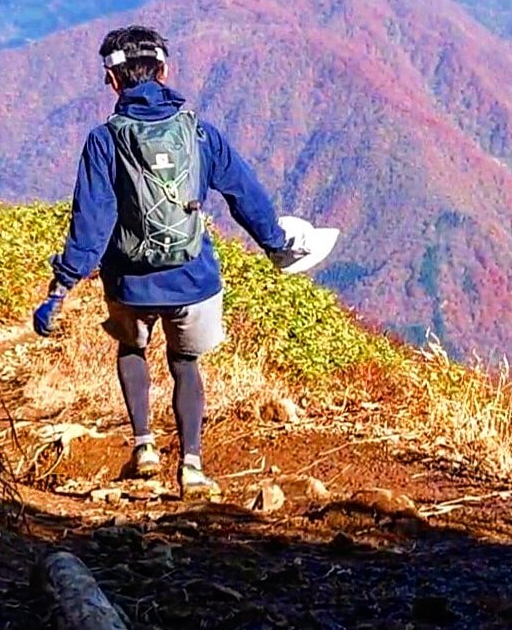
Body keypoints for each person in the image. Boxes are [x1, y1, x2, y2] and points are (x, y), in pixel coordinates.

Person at [32, 26, 307, 500]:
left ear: (113, 80)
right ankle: (193, 467)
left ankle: (144, 448)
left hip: (129, 283)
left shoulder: (105, 141)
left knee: (131, 351)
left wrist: (60, 289)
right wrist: (277, 245)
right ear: (164, 71)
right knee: (185, 362)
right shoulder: (198, 131)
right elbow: (245, 194)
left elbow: (91, 223)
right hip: (193, 279)